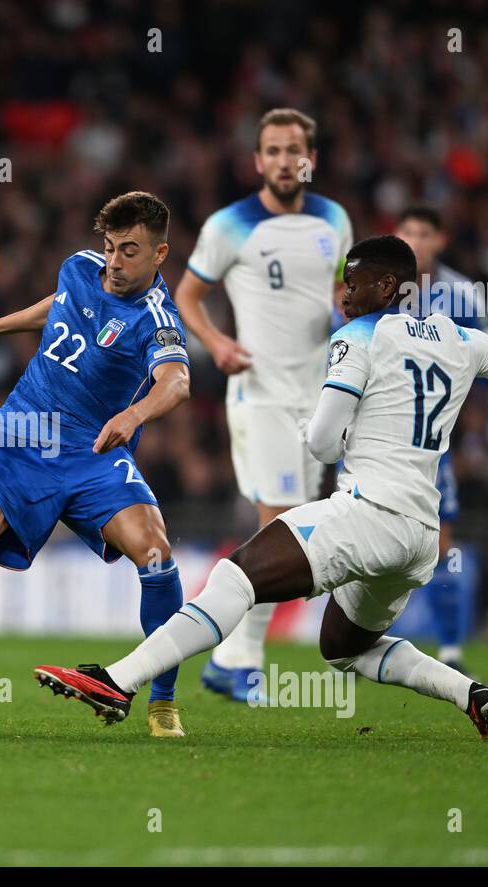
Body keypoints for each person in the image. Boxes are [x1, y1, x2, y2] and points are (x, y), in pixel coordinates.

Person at [35, 235, 488, 740]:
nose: (343, 293)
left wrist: (311, 427)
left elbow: (326, 442)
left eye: (352, 283)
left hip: (367, 514)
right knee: (345, 646)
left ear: (387, 288)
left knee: (234, 578)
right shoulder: (463, 342)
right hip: (419, 538)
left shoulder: (359, 337)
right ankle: (471, 692)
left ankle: (117, 680)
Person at [0, 191, 193, 737]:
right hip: (21, 430)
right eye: (110, 247)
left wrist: (135, 413)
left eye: (130, 251)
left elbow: (177, 380)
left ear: (160, 254)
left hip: (94, 448)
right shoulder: (81, 267)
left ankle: (163, 703)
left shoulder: (157, 318)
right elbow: (58, 305)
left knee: (155, 552)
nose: (115, 262)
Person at [175, 108, 353, 701]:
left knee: (292, 531)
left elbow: (334, 296)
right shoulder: (231, 225)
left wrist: (341, 320)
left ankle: (231, 657)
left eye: (293, 150)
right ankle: (240, 658)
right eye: (272, 150)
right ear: (257, 161)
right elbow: (187, 295)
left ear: (311, 158)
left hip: (318, 398)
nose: (283, 160)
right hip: (260, 396)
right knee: (280, 525)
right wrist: (218, 343)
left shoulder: (334, 220)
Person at [395, 204, 488, 672]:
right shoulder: (380, 287)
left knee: (441, 545)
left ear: (441, 240)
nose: (415, 241)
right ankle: (360, 639)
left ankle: (451, 648)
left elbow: (487, 367)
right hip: (378, 439)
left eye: (424, 233)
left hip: (433, 441)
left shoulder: (463, 298)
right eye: (407, 232)